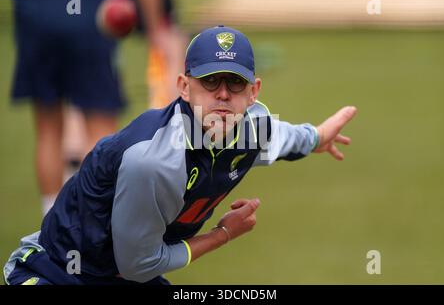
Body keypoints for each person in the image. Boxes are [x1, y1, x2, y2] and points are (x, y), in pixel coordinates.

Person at [3, 25, 357, 285]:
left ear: (253, 92)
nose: (222, 94)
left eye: (234, 83)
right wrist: (223, 235)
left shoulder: (252, 127)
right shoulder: (155, 161)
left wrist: (317, 136)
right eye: (209, 81)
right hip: (57, 272)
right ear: (184, 87)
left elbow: (282, 138)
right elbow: (139, 265)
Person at [11, 0, 169, 215]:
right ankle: (88, 219)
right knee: (100, 131)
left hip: (36, 22)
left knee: (47, 130)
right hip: (90, 20)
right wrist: (155, 28)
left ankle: (52, 223)